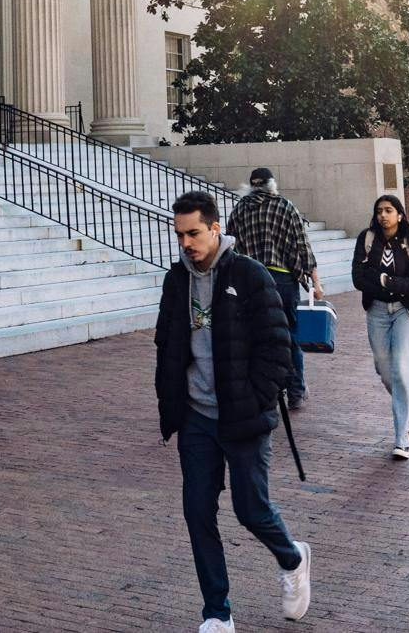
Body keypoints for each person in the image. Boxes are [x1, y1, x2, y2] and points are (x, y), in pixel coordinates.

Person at [156, 191, 313, 631]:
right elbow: (166, 344)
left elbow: (278, 345)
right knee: (197, 512)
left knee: (251, 509)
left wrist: (257, 396)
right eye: (180, 235)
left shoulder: (248, 275)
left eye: (194, 233)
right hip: (196, 419)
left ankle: (292, 556)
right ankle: (217, 613)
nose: (186, 243)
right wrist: (171, 402)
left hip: (242, 417)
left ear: (215, 229)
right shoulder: (176, 281)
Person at [225, 166, 323, 411]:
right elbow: (302, 245)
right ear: (272, 184)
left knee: (257, 336)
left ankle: (267, 388)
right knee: (289, 335)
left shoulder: (239, 211)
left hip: (250, 281)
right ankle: (296, 390)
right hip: (282, 279)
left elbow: (230, 248)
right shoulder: (284, 206)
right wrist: (314, 281)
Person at [351, 194, 409, 460]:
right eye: (379, 210)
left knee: (402, 369)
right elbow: (359, 279)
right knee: (385, 370)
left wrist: (383, 280)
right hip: (377, 311)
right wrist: (391, 282)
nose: (383, 215)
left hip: (408, 312)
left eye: (389, 210)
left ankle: (401, 438)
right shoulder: (367, 239)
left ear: (400, 214)